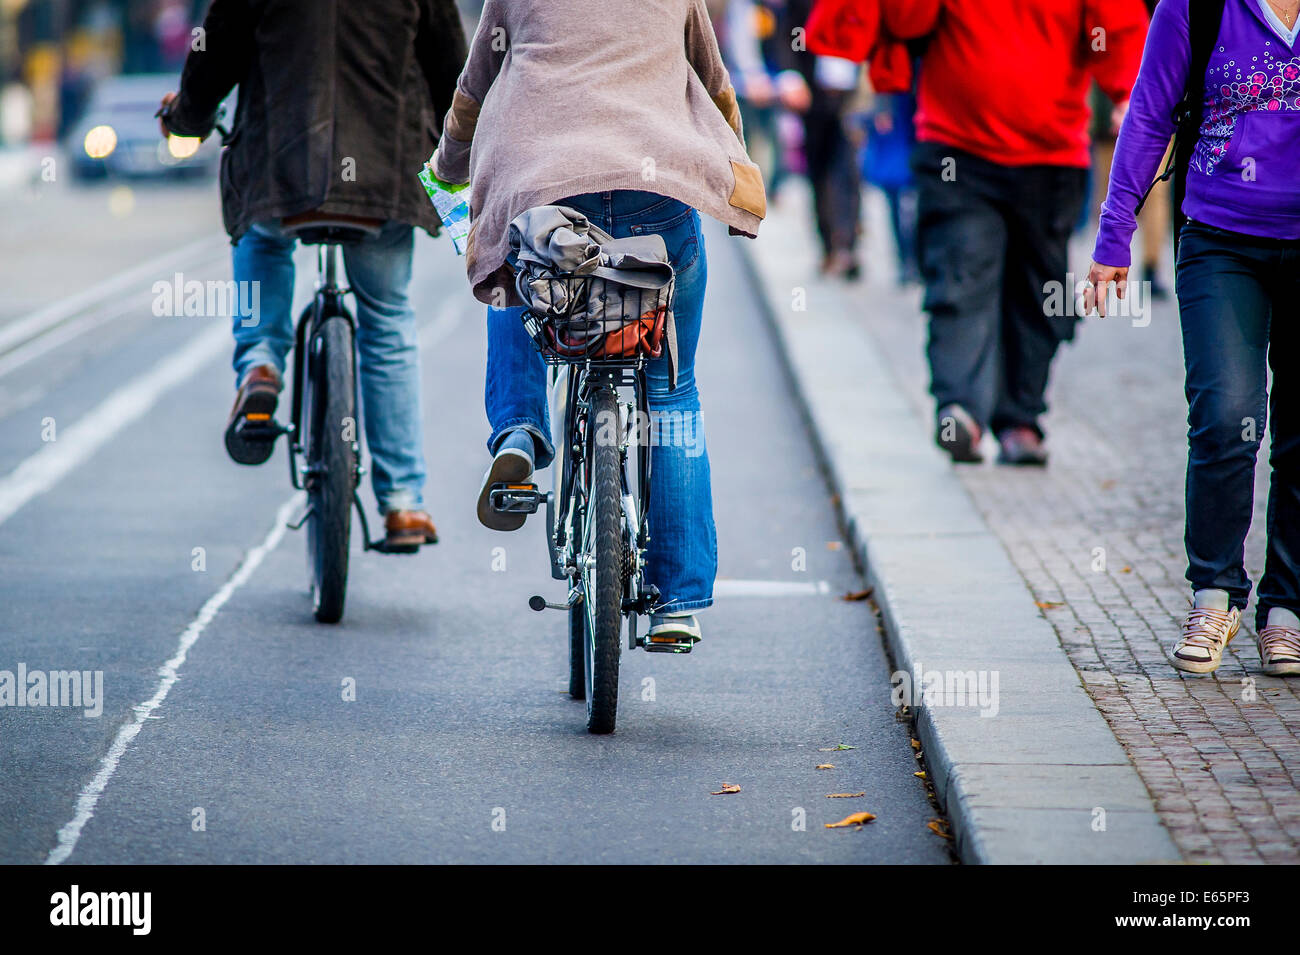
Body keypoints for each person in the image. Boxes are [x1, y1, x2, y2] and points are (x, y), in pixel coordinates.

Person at [429, 0, 766, 645]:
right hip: (657, 192)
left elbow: (474, 87)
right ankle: (677, 601)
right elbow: (716, 84)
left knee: (513, 279)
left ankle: (519, 436)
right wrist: (737, 165)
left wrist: (449, 166)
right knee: (672, 390)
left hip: (549, 189)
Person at [158, 0, 467, 551]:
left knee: (261, 237)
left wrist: (186, 118)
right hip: (386, 173)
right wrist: (462, 150)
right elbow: (450, 65)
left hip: (282, 164)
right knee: (388, 318)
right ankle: (403, 504)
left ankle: (258, 367)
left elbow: (214, 53)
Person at [1087, 0, 1300, 676]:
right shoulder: (1198, 5)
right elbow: (1149, 113)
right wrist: (1115, 233)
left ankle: (1287, 608)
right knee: (1225, 413)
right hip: (1220, 240)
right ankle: (1216, 591)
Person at [887, 0, 1148, 465]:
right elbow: (908, 21)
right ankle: (961, 409)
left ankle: (1020, 419)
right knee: (960, 277)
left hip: (1051, 156)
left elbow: (1119, 26)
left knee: (1038, 289)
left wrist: (1128, 94)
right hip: (956, 150)